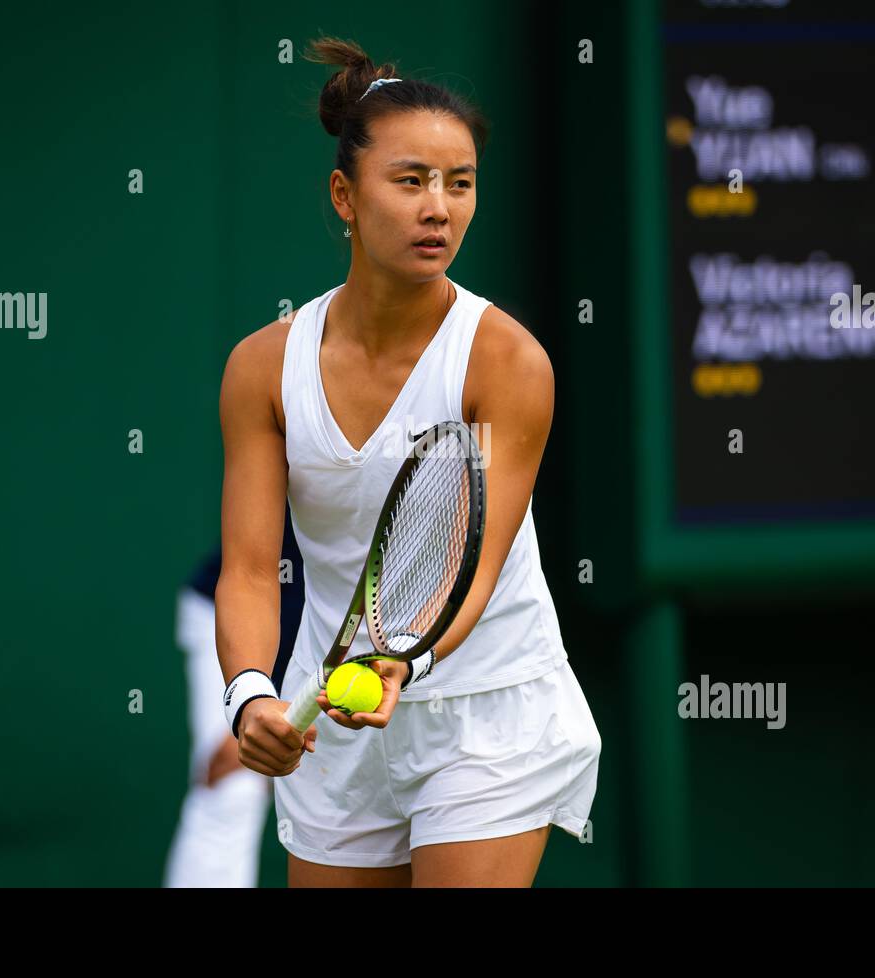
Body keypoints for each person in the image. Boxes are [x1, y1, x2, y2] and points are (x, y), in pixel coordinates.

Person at [216, 36, 601, 888]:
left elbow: (478, 565)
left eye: (459, 183)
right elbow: (248, 568)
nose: (440, 208)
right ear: (344, 196)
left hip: (485, 717)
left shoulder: (508, 362)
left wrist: (403, 661)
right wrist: (251, 695)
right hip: (336, 729)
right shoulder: (260, 368)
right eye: (411, 180)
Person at [162, 508, 304, 887]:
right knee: (234, 784)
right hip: (240, 623)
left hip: (347, 641)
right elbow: (256, 578)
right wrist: (249, 704)